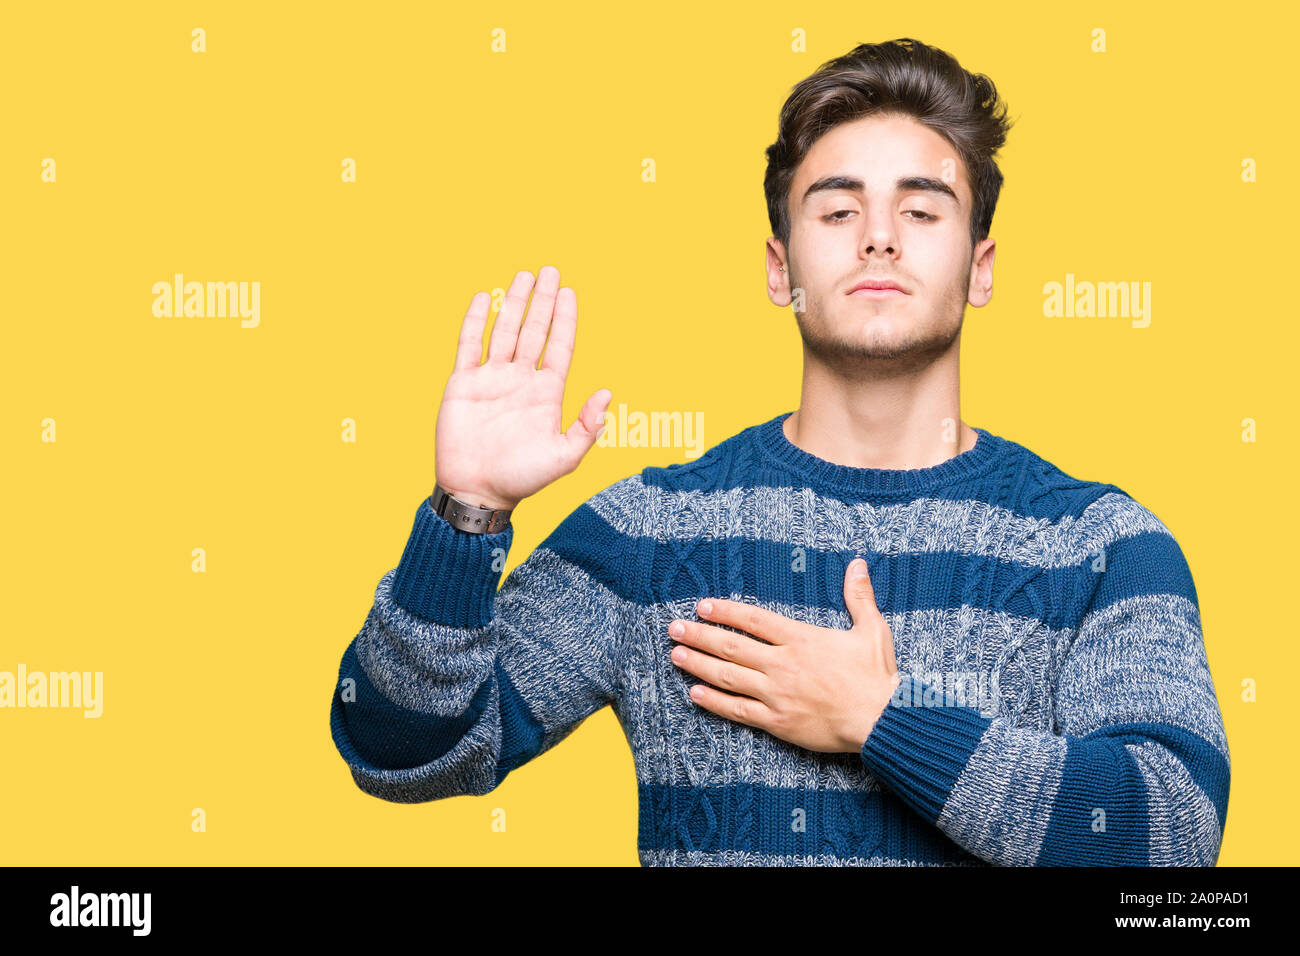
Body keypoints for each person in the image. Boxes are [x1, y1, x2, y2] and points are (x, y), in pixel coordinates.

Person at [329, 37, 1229, 866]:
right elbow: (404, 752)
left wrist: (881, 721)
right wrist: (467, 513)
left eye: (921, 209)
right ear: (779, 267)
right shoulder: (650, 532)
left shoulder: (1101, 545)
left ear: (980, 266)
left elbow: (1173, 829)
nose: (879, 235)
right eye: (838, 210)